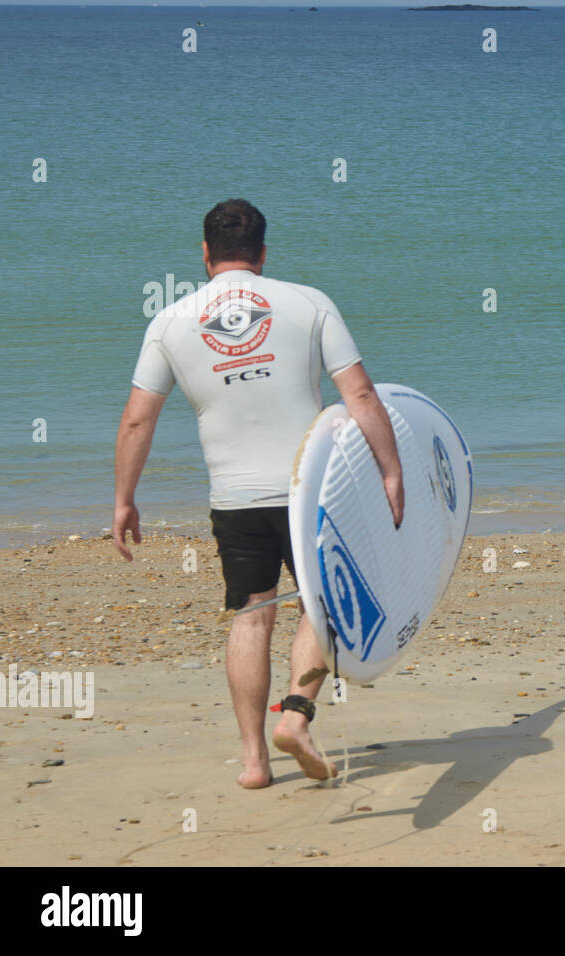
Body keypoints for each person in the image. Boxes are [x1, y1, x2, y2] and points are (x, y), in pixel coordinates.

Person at [112, 199, 404, 789]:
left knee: (250, 617)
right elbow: (363, 397)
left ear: (204, 253)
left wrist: (124, 498)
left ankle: (253, 763)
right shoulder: (309, 302)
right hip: (311, 489)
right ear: (264, 254)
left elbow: (138, 422)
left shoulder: (170, 321)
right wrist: (392, 471)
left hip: (234, 498)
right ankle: (295, 715)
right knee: (321, 607)